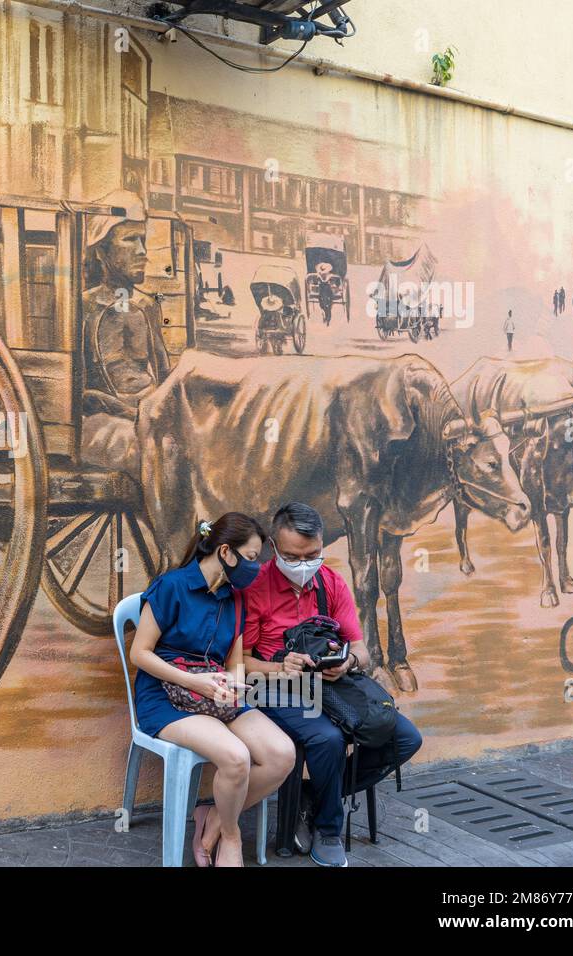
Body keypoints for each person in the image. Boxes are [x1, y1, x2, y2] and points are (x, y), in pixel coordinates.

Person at [243, 502, 423, 867]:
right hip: (272, 686)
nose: (304, 564)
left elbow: (362, 650)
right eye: (293, 556)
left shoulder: (331, 582)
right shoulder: (256, 588)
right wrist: (280, 665)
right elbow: (240, 664)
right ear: (274, 549)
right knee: (327, 739)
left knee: (404, 737)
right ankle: (328, 829)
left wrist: (348, 663)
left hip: (329, 684)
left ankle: (312, 795)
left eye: (313, 554)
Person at [130, 512, 295, 867]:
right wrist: (193, 681)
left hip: (214, 692)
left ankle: (216, 817)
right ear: (226, 552)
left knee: (282, 754)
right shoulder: (172, 586)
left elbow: (234, 663)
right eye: (251, 558)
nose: (255, 568)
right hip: (165, 697)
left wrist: (233, 685)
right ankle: (231, 837)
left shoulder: (234, 597)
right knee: (236, 758)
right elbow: (139, 653)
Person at [79, 189, 170, 480]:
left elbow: (165, 373)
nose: (142, 251)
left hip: (147, 415)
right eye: (130, 240)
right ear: (101, 250)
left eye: (143, 240)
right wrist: (126, 409)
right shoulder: (82, 306)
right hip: (99, 421)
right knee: (156, 453)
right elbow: (74, 392)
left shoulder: (146, 306)